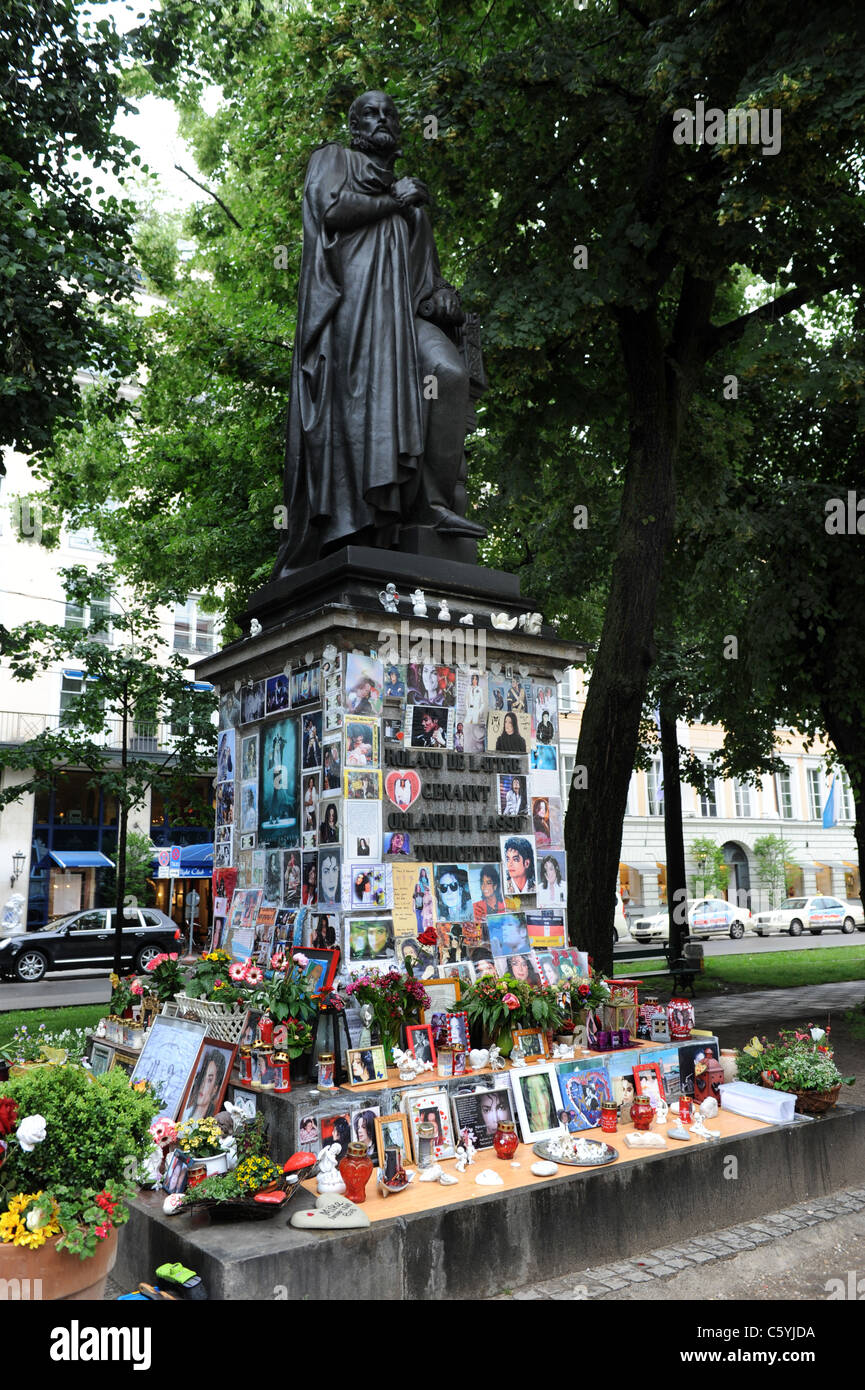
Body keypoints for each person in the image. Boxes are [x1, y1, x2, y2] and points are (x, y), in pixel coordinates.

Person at [274, 90, 485, 573]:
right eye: (370, 113)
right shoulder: (335, 160)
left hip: (406, 323)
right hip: (353, 319)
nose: (382, 119)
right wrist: (393, 200)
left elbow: (425, 280)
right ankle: (361, 521)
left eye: (390, 113)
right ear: (355, 126)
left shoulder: (413, 200)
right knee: (363, 412)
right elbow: (330, 210)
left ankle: (432, 508)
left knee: (448, 375)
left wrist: (443, 297)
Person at [182, 1048, 227, 1120]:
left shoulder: (211, 1123)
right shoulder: (184, 1115)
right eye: (203, 1076)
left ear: (215, 1089)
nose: (203, 1084)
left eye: (209, 1080)